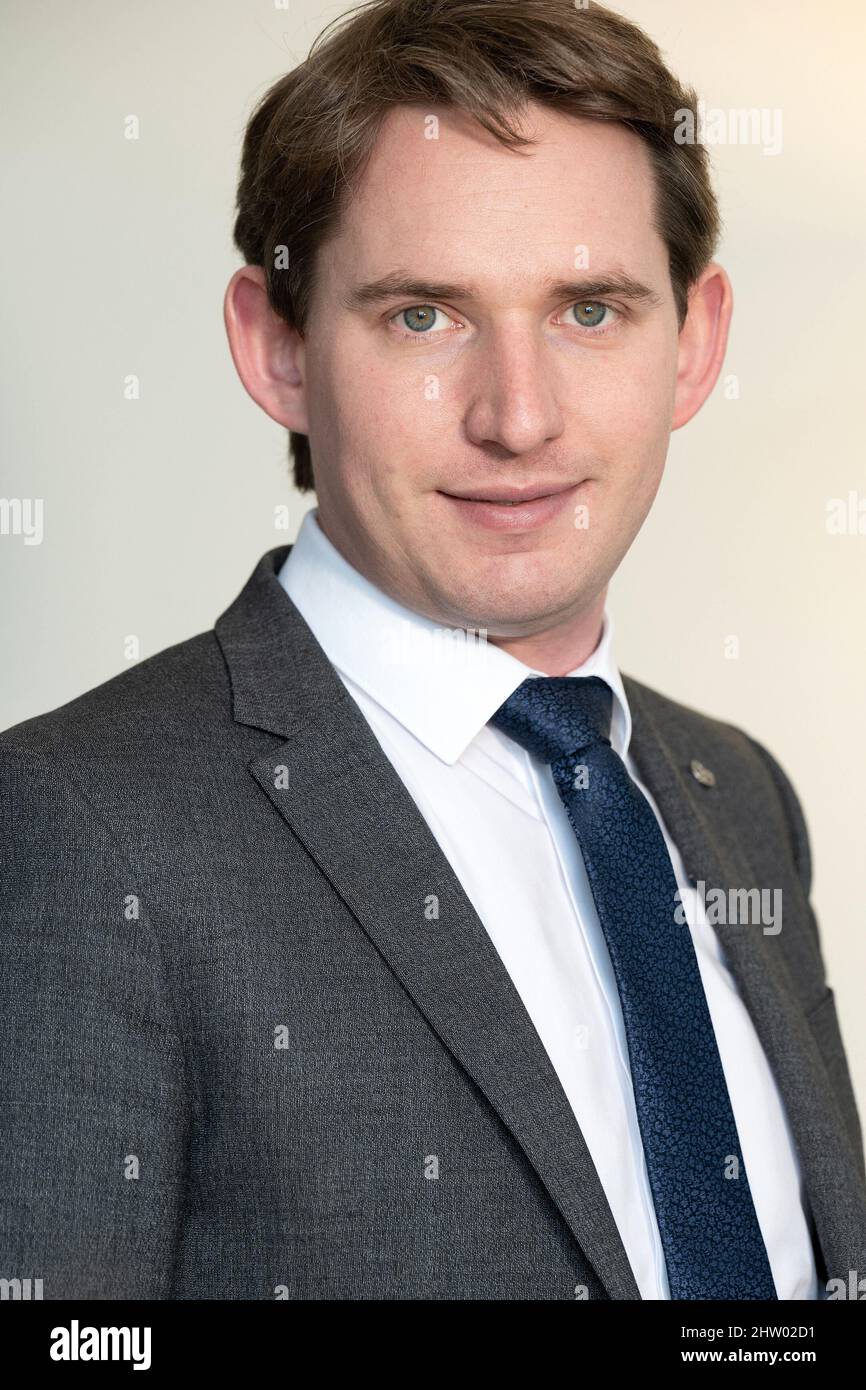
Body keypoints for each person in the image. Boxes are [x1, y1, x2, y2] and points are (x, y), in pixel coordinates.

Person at [2, 0, 864, 1301]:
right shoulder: (77, 824)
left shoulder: (733, 792)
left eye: (589, 309)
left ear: (693, 341)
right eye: (422, 316)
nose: (516, 416)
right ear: (277, 347)